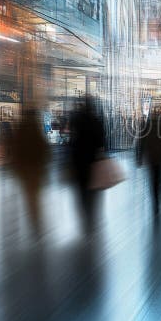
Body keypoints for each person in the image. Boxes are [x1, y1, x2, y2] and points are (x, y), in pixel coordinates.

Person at [9, 109, 50, 235]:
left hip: (25, 168)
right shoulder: (36, 130)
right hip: (35, 168)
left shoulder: (20, 130)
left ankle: (33, 217)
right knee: (34, 194)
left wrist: (16, 167)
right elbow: (44, 149)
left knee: (29, 194)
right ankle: (36, 217)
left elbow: (15, 149)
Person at [70, 98, 105, 233]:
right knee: (93, 188)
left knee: (81, 189)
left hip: (79, 160)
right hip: (93, 160)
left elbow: (73, 140)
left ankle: (85, 214)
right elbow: (101, 142)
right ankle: (92, 214)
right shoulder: (97, 121)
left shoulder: (77, 120)